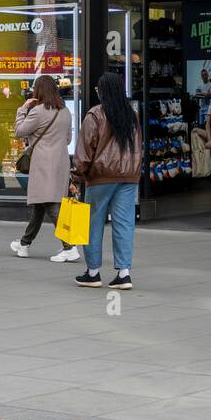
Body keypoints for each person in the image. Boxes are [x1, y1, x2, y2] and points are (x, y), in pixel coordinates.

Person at [72, 72, 142, 289]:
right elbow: (138, 146)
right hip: (129, 177)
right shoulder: (131, 114)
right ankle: (124, 273)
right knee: (124, 223)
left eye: (97, 89)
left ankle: (93, 272)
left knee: (93, 224)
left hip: (100, 177)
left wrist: (76, 175)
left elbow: (85, 151)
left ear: (102, 91)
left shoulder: (96, 114)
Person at [10, 75, 76, 261]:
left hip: (43, 163)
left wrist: (22, 109)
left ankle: (69, 246)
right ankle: (24, 244)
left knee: (50, 204)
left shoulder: (37, 111)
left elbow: (19, 131)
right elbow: (68, 139)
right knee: (40, 204)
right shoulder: (65, 111)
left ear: (38, 91)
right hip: (61, 161)